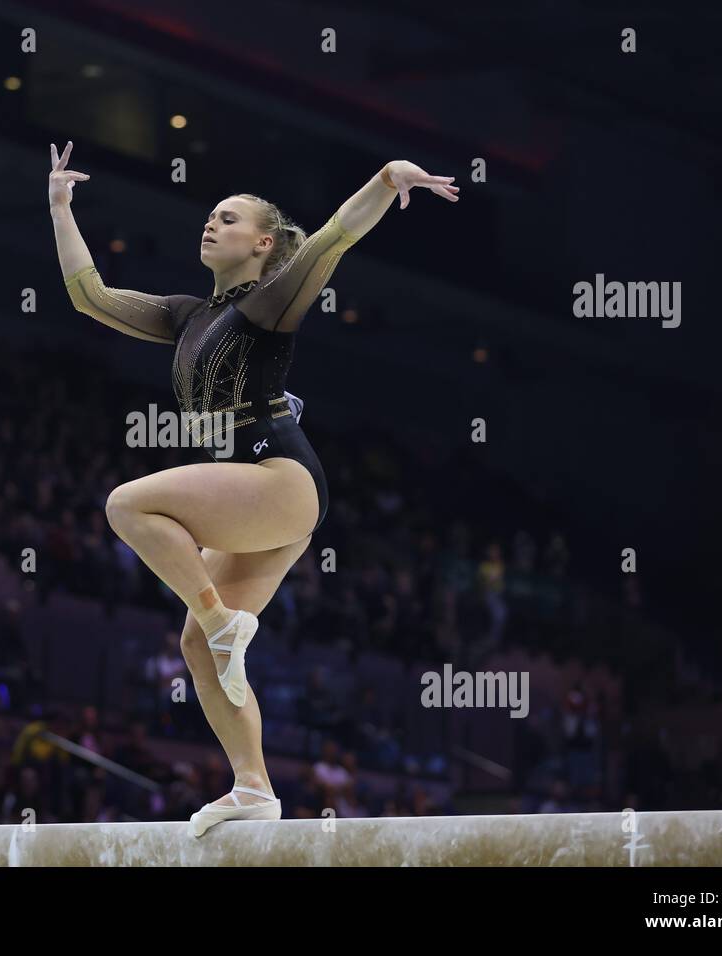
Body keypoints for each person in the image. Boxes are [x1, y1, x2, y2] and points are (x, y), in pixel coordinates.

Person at [49, 141, 457, 835]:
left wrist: (387, 180)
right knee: (195, 647)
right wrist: (60, 207)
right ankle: (254, 786)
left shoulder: (270, 302)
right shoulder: (186, 315)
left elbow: (330, 241)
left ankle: (222, 620)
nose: (211, 223)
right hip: (264, 493)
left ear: (263, 243)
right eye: (209, 215)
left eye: (229, 218)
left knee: (128, 503)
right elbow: (90, 298)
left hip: (280, 476)